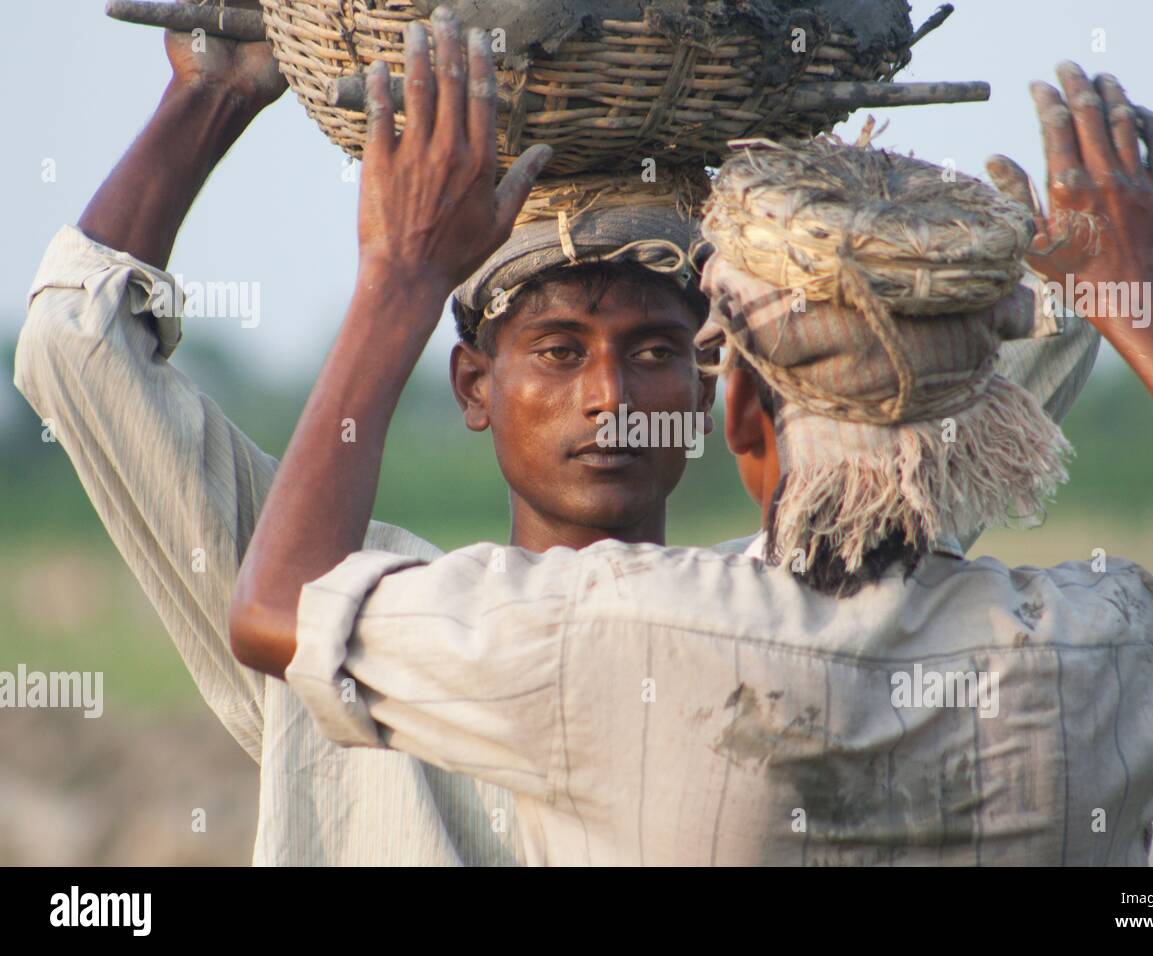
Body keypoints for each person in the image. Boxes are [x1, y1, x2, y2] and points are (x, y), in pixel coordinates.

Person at [14, 8, 1089, 864]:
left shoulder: (795, 614)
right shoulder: (342, 598)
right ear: (474, 385)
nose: (610, 394)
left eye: (656, 350)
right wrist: (206, 98)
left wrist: (1019, 272)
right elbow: (75, 351)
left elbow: (959, 402)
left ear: (719, 383)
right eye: (561, 351)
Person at [227, 21, 1153, 865]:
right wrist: (1149, 309)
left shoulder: (609, 637)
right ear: (979, 423)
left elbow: (276, 608)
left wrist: (398, 276)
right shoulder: (1100, 651)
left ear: (736, 413)